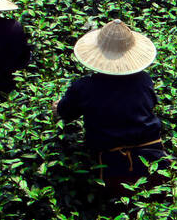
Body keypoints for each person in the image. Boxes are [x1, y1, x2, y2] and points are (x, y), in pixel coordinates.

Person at [54, 19, 164, 197]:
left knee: (117, 206)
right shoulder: (145, 80)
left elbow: (65, 113)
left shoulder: (84, 87)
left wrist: (58, 107)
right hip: (154, 156)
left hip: (112, 163)